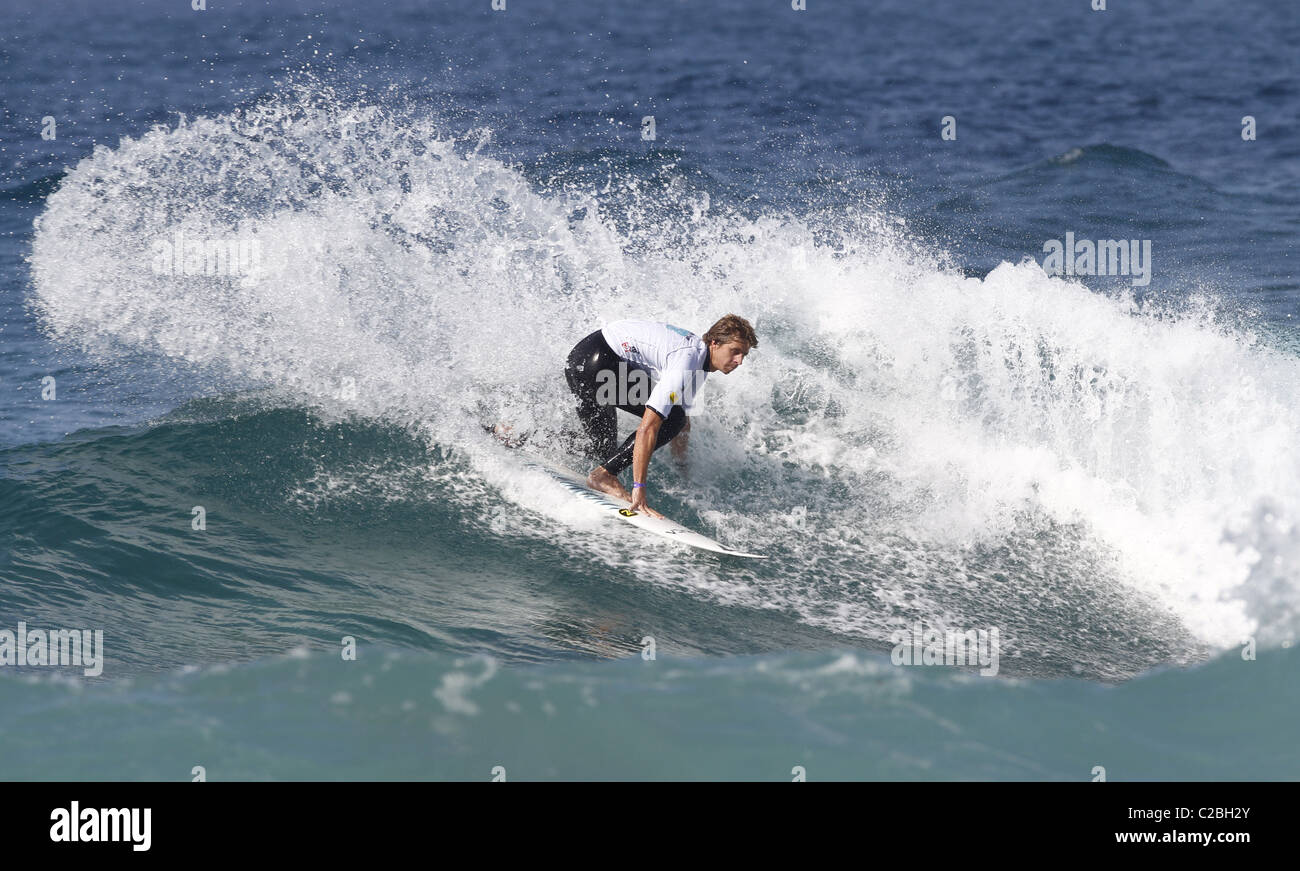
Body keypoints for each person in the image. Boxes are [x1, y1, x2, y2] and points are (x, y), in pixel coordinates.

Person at [564, 314, 757, 519]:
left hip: (580, 359)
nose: (739, 361)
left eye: (743, 354)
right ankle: (604, 476)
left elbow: (684, 423)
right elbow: (649, 427)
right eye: (735, 352)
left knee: (603, 449)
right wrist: (640, 488)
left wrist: (682, 469)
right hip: (600, 363)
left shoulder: (699, 361)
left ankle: (539, 441)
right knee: (671, 418)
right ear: (714, 343)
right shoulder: (687, 362)